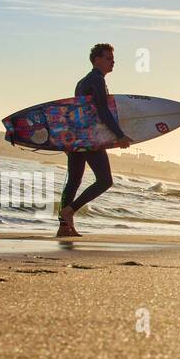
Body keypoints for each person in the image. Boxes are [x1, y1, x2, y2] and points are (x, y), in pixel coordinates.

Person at [57, 43, 132, 238]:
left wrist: (70, 140)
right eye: (108, 58)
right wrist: (119, 135)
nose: (112, 62)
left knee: (73, 180)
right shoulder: (97, 80)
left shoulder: (82, 81)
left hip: (78, 137)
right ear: (96, 59)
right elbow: (102, 111)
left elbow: (76, 112)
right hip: (90, 139)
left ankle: (64, 226)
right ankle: (69, 211)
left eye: (113, 59)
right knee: (105, 180)